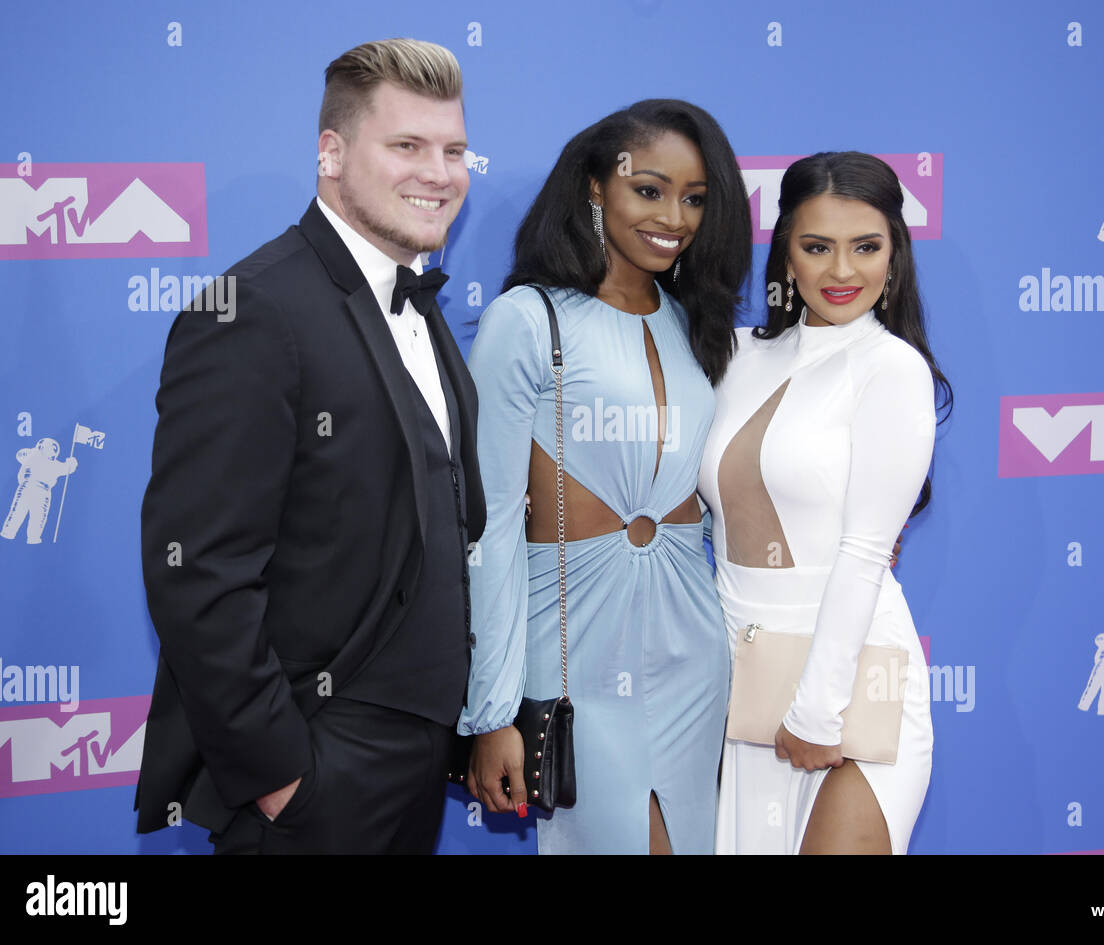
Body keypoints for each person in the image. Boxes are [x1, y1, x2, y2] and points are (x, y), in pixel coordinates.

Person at [133, 38, 485, 854]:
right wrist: (282, 778)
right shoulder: (251, 309)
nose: (439, 172)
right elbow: (199, 569)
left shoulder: (421, 305)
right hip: (315, 772)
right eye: (406, 145)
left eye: (454, 150)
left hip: (418, 762)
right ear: (331, 153)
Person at [461, 99, 751, 854]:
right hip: (579, 651)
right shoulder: (528, 320)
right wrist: (492, 711)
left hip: (695, 646)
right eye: (648, 190)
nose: (674, 216)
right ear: (596, 187)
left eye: (695, 198)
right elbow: (488, 524)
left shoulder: (699, 324)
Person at [698, 151, 951, 854]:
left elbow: (866, 551)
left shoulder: (892, 368)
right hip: (739, 686)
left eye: (866, 247)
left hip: (851, 691)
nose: (843, 272)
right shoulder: (736, 356)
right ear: (786, 256)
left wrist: (817, 709)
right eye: (818, 247)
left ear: (894, 254)